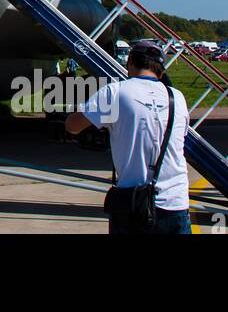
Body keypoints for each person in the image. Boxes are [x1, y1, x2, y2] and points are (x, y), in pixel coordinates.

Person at [65, 40, 190, 234]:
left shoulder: (115, 92)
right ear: (160, 70)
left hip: (132, 205)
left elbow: (72, 126)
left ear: (129, 61)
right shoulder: (178, 98)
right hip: (176, 203)